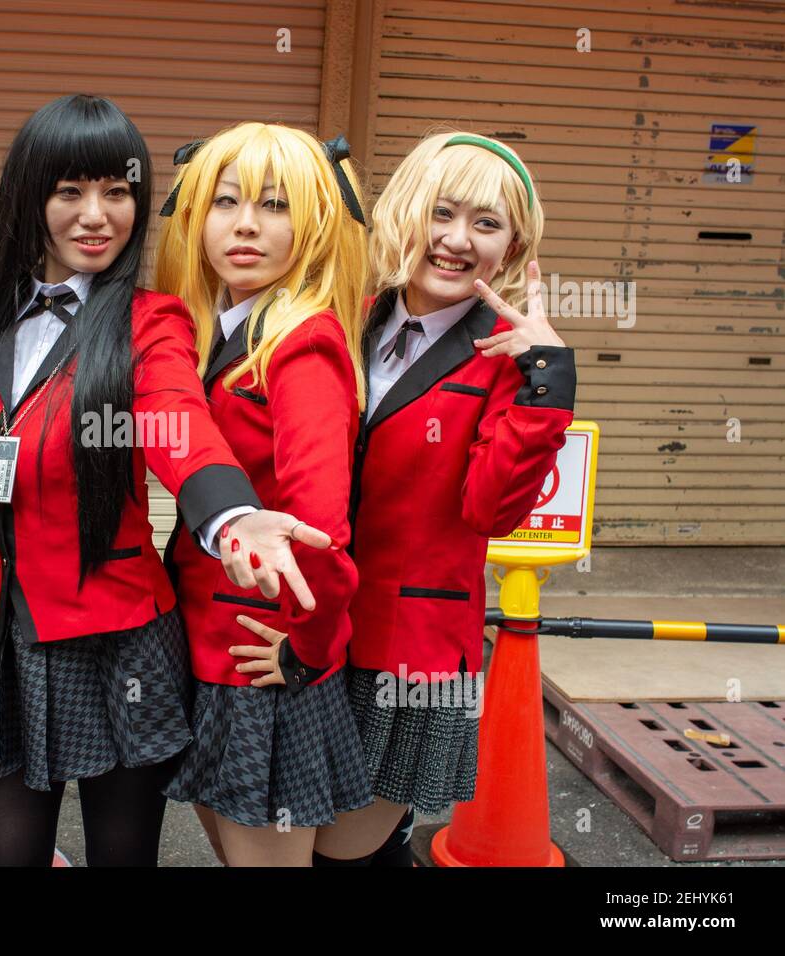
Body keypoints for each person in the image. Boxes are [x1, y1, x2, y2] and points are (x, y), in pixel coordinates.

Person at [0, 95, 332, 866]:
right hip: (7, 650)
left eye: (117, 192)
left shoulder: (149, 320)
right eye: (70, 192)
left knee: (125, 857)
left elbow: (173, 420)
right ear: (30, 196)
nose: (97, 216)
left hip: (123, 646)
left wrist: (232, 516)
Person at [315, 130, 576, 866]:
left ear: (512, 247)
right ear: (408, 212)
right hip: (310, 630)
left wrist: (547, 382)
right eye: (443, 212)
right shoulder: (348, 316)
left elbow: (491, 512)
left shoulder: (510, 355)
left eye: (486, 224)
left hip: (410, 648)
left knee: (343, 852)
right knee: (286, 833)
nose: (458, 240)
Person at [155, 122, 376, 866]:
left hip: (259, 659)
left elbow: (321, 530)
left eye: (275, 205)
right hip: (208, 642)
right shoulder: (213, 329)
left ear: (312, 224)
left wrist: (309, 650)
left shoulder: (301, 344)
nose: (245, 224)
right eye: (225, 202)